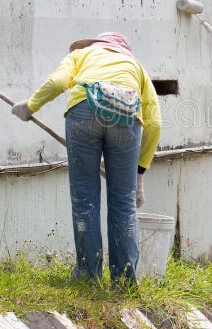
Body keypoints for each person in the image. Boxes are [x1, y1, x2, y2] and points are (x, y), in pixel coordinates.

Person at [11, 32, 161, 285]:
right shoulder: (136, 67)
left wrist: (30, 107)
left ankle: (87, 276)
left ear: (97, 45)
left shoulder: (81, 54)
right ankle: (124, 280)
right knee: (123, 202)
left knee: (85, 197)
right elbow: (155, 123)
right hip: (126, 118)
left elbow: (58, 82)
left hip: (84, 111)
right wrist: (140, 172)